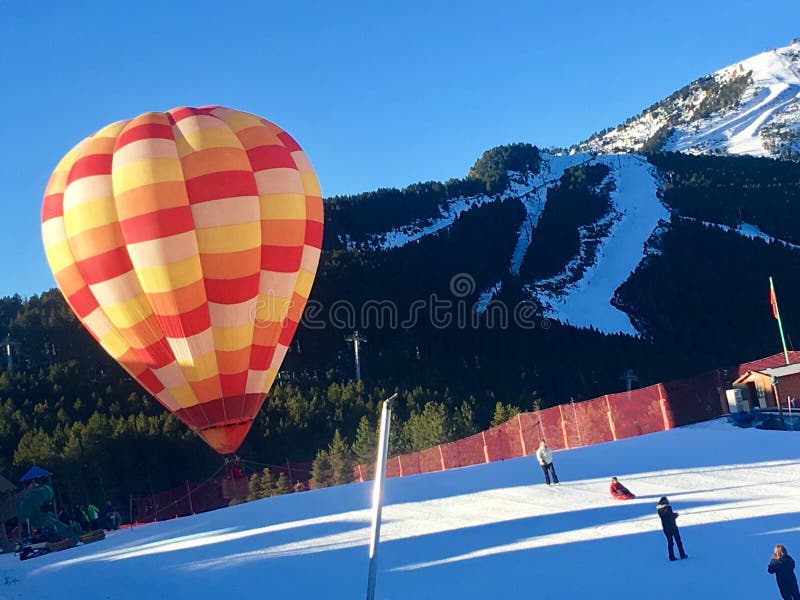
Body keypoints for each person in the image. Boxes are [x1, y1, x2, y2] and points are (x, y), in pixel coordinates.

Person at [656, 496, 687, 561]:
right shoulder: (667, 508)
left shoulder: (659, 510)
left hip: (666, 528)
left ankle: (671, 556)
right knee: (678, 541)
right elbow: (670, 517)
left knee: (670, 542)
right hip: (673, 527)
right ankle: (682, 554)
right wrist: (675, 515)